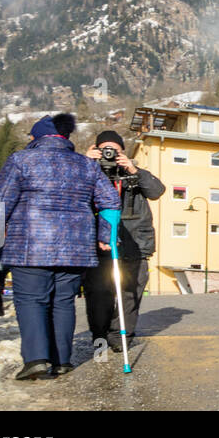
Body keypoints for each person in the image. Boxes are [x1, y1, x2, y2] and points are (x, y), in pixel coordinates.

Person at [0, 113, 120, 380]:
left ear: (36, 137)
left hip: (30, 246)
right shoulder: (87, 165)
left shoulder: (21, 160)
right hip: (76, 249)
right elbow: (110, 202)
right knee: (63, 301)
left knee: (31, 300)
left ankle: (36, 359)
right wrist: (105, 236)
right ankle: (62, 361)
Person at [82, 130, 164, 354]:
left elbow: (157, 191)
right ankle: (100, 334)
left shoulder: (133, 174)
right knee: (98, 291)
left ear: (122, 152)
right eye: (103, 150)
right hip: (98, 244)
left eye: (114, 150)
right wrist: (83, 162)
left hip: (134, 243)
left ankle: (121, 334)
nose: (109, 154)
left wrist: (133, 170)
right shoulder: (86, 171)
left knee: (131, 291)